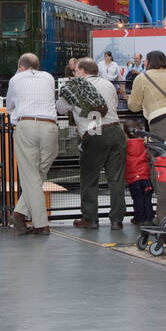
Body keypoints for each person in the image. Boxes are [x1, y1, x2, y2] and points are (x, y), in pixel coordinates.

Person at [57, 58, 127, 230]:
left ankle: (90, 218)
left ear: (81, 71)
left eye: (75, 71)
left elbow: (60, 108)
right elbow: (114, 105)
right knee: (116, 178)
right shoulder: (108, 84)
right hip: (116, 130)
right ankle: (117, 220)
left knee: (90, 178)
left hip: (94, 131)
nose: (74, 74)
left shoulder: (76, 86)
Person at [127, 51, 166, 220]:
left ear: (147, 62)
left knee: (163, 168)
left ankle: (165, 217)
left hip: (162, 123)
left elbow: (133, 105)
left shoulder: (143, 77)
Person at [5, 53, 59, 235]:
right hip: (50, 127)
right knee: (38, 174)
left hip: (26, 126)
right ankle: (19, 214)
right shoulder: (49, 77)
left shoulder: (16, 79)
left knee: (31, 176)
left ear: (21, 67)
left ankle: (41, 224)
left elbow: (10, 105)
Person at [123, 138, 155, 224]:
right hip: (145, 177)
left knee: (137, 199)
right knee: (147, 198)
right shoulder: (145, 145)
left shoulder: (125, 146)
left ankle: (139, 218)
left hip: (133, 178)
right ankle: (149, 217)